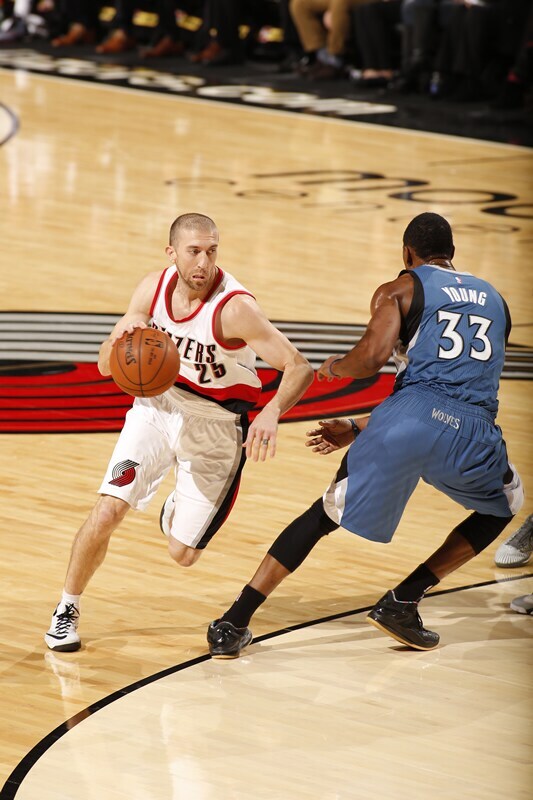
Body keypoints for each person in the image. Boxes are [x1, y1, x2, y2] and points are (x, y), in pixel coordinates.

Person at [207, 211, 524, 658]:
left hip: (407, 422)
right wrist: (357, 428)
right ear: (452, 253)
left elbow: (374, 361)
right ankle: (404, 599)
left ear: (406, 253)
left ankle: (232, 621)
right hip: (471, 430)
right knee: (506, 503)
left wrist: (335, 367)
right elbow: (452, 393)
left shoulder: (402, 287)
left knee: (323, 515)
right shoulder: (496, 301)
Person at [44, 213, 314, 652]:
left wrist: (272, 412)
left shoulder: (235, 309)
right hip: (156, 407)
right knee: (108, 510)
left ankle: (175, 507)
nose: (204, 262)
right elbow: (101, 365)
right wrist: (120, 344)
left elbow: (298, 366)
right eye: (194, 251)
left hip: (217, 426)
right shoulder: (152, 288)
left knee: (183, 554)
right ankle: (66, 608)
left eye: (212, 251)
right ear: (172, 254)